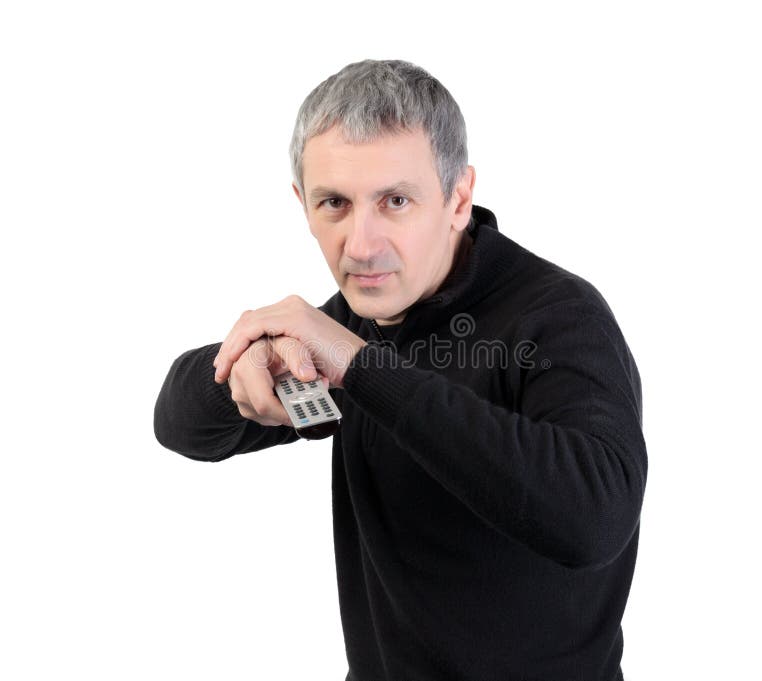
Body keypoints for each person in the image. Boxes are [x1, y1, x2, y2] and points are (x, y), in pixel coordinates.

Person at [154, 58, 647, 681]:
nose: (360, 245)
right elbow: (179, 426)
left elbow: (594, 518)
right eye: (334, 203)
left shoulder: (559, 317)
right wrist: (249, 361)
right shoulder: (358, 316)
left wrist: (362, 368)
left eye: (395, 201)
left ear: (458, 198)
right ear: (303, 204)